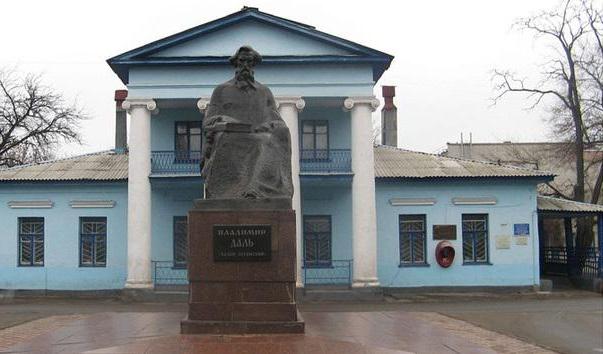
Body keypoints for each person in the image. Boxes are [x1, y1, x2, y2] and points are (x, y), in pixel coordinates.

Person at [201, 46, 293, 200]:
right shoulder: (222, 90)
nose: (245, 66)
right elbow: (208, 121)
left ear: (254, 65)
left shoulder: (264, 92)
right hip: (229, 137)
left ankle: (257, 189)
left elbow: (277, 119)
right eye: (242, 61)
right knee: (260, 141)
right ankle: (244, 190)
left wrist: (270, 125)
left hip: (259, 135)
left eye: (249, 62)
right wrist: (224, 119)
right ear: (235, 63)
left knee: (274, 137)